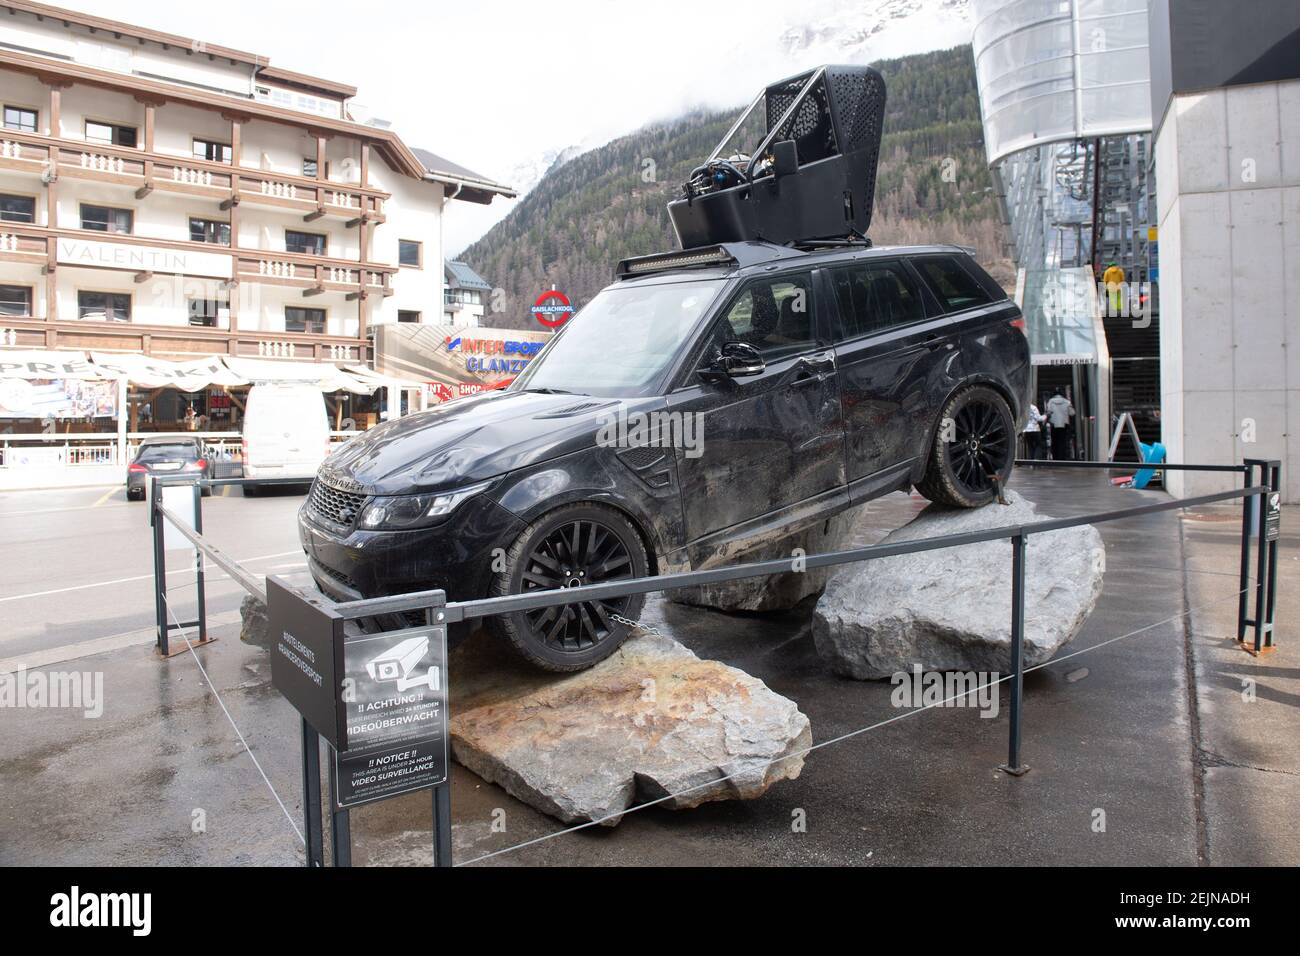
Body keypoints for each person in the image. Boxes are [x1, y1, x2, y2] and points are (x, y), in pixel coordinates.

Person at [1046, 388, 1075, 460]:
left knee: (1054, 441)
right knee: (1062, 441)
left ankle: (1055, 457)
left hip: (1054, 424)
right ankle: (1062, 457)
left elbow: (1048, 412)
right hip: (1064, 424)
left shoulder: (1050, 401)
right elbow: (1072, 413)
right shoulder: (1067, 402)